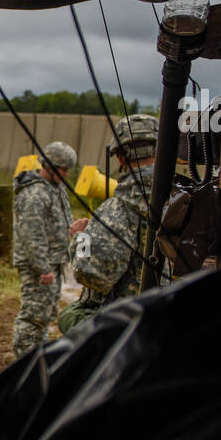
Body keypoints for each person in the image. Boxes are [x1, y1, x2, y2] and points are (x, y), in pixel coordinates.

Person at [59, 114, 159, 333]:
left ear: (121, 158)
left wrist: (81, 237)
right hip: (169, 317)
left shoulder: (118, 210)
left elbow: (90, 274)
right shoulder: (184, 198)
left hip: (124, 326)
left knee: (70, 317)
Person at [11, 141, 78, 357]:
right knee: (32, 316)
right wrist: (43, 267)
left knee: (45, 315)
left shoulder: (55, 189)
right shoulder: (35, 193)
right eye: (63, 169)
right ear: (50, 166)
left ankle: (37, 358)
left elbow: (54, 224)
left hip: (53, 263)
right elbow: (31, 233)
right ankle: (23, 360)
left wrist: (72, 230)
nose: (67, 174)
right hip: (39, 266)